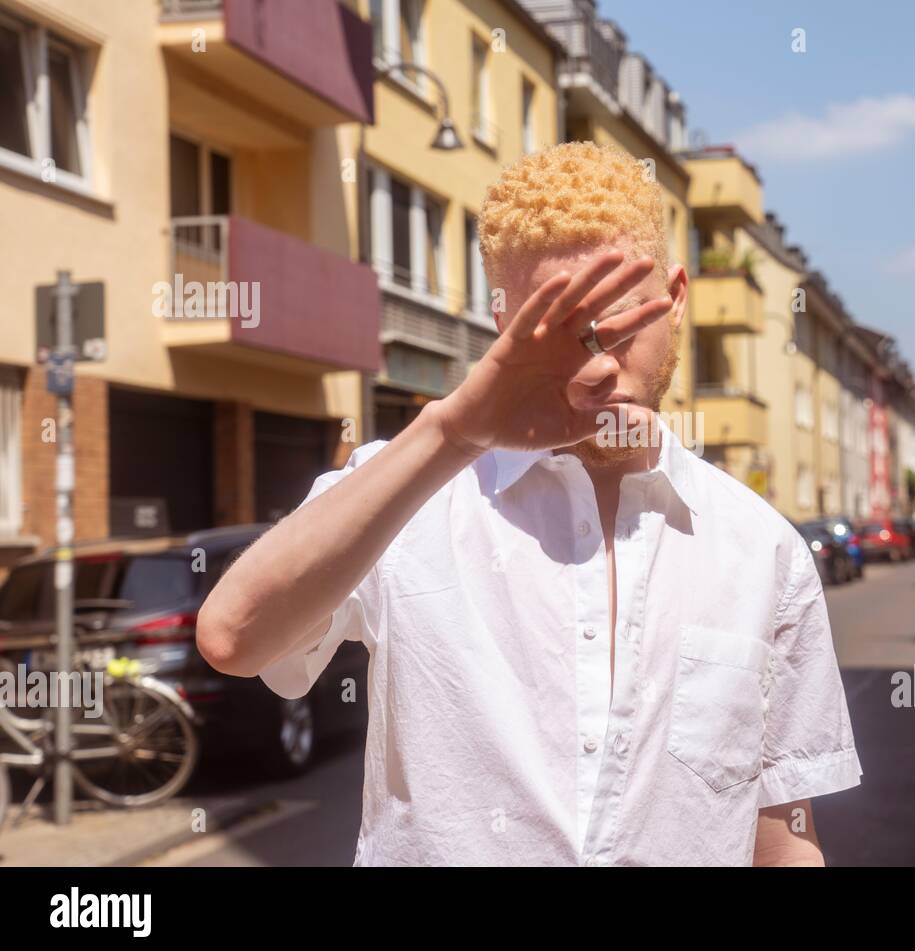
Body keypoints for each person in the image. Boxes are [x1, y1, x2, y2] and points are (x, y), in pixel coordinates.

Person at [196, 142, 861, 866]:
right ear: (502, 324)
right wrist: (452, 431)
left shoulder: (761, 547)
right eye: (559, 333)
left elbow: (783, 834)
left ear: (674, 299)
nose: (600, 365)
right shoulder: (412, 491)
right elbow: (236, 637)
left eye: (620, 322)